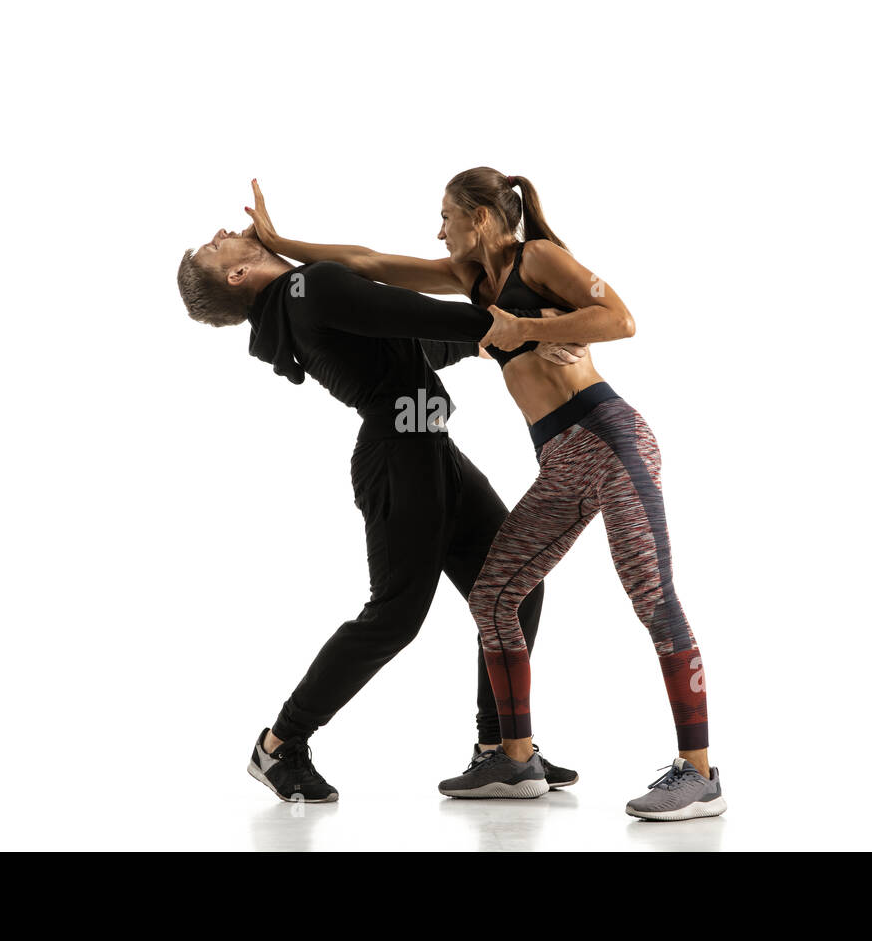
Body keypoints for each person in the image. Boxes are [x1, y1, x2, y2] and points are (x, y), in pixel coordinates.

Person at [243, 170, 726, 820]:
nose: (438, 230)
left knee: (651, 596)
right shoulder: (468, 279)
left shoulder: (538, 258)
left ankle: (697, 773)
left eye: (447, 216)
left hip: (608, 437)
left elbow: (621, 318)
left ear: (482, 218)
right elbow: (369, 263)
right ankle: (511, 755)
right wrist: (282, 240)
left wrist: (537, 330)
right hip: (558, 459)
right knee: (498, 595)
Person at [175, 218, 581, 803]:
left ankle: (499, 750)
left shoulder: (304, 302)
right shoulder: (310, 288)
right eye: (217, 247)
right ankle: (279, 745)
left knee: (514, 587)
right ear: (238, 275)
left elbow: (424, 345)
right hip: (399, 459)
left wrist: (507, 336)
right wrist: (529, 325)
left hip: (432, 447)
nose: (223, 231)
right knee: (395, 614)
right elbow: (423, 317)